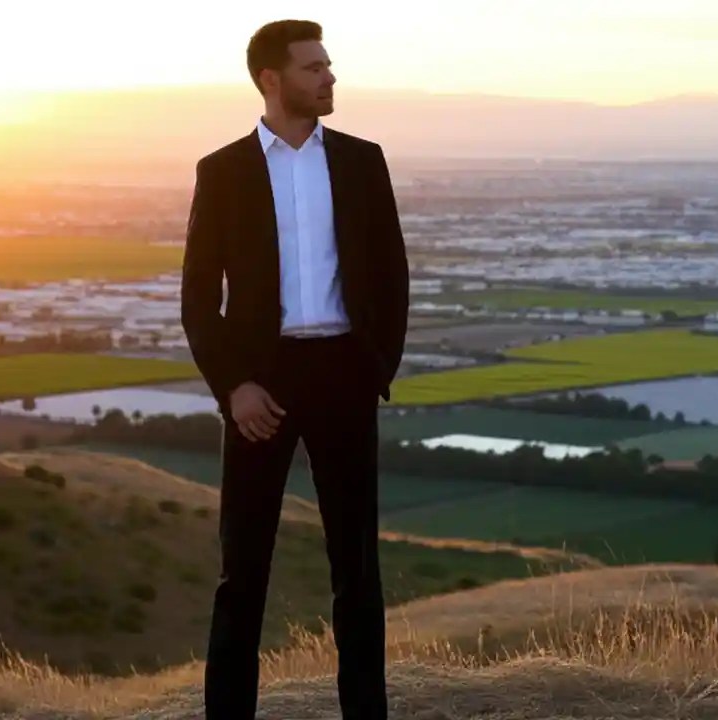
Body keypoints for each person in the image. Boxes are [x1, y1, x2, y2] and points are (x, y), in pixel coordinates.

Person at [179, 18, 409, 720]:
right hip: (261, 386)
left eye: (328, 65)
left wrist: (374, 369)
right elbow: (197, 297)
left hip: (344, 376)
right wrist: (234, 387)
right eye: (314, 67)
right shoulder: (223, 171)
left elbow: (392, 276)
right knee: (242, 574)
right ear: (271, 80)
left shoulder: (363, 161)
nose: (330, 77)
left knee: (358, 575)